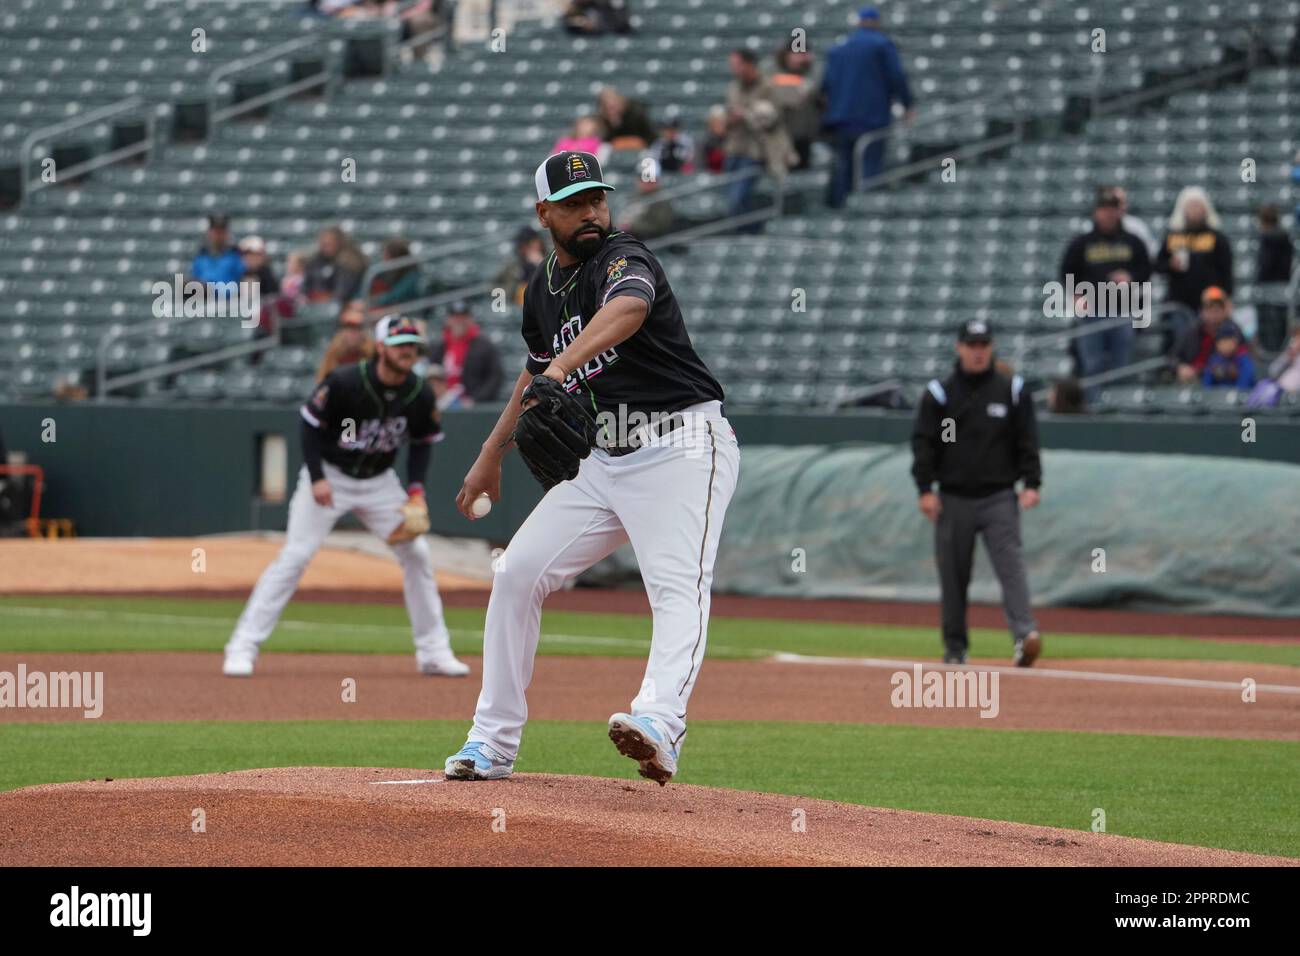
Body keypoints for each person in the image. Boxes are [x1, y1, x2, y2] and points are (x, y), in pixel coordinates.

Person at [443, 150, 740, 785]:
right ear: (543, 212)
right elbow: (533, 368)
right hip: (605, 460)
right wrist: (491, 455)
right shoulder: (540, 291)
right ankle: (491, 742)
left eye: (598, 198)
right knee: (518, 573)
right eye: (575, 202)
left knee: (676, 584)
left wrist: (557, 368)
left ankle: (659, 721)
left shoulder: (624, 257)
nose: (591, 212)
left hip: (682, 443)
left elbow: (627, 309)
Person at [223, 315, 467, 678]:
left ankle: (433, 652)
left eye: (412, 346)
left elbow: (422, 444)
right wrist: (318, 477)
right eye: (400, 345)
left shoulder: (419, 392)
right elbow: (308, 426)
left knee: (416, 554)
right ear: (381, 347)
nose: (407, 352)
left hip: (379, 482)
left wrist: (415, 491)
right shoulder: (345, 381)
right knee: (296, 556)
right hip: (331, 476)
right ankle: (242, 646)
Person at [910, 319, 1043, 667]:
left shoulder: (1011, 389)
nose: (978, 351)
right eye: (972, 345)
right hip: (954, 497)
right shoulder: (941, 393)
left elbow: (1027, 439)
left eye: (984, 344)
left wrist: (1032, 482)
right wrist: (925, 489)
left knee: (1011, 567)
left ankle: (1024, 636)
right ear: (959, 348)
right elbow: (924, 444)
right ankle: (955, 648)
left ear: (992, 347)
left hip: (999, 494)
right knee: (954, 577)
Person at [1058, 189, 1152, 394]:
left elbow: (1146, 269)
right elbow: (1066, 271)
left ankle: (1118, 409)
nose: (1109, 214)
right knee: (1093, 365)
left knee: (1121, 367)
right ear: (1096, 212)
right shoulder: (1082, 242)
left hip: (1123, 310)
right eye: (1104, 209)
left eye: (1113, 209)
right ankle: (1093, 411)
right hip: (1092, 311)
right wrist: (1075, 295)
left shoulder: (1133, 241)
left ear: (1120, 212)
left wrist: (1131, 278)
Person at [821, 5, 913, 209]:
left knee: (844, 167)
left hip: (841, 119)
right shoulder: (881, 45)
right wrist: (907, 104)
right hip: (870, 117)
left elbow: (825, 85)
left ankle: (840, 212)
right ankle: (865, 212)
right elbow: (896, 77)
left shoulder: (839, 48)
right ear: (876, 22)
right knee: (869, 167)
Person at [723, 48, 796, 231]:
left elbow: (773, 119)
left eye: (736, 65)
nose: (733, 69)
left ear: (749, 64)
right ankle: (746, 234)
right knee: (733, 199)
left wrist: (746, 114)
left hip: (755, 151)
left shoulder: (768, 87)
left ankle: (752, 232)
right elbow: (729, 115)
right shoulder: (733, 88)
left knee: (737, 198)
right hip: (734, 149)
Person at [1154, 186, 1234, 313]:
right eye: (1191, 207)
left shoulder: (1217, 238)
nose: (1195, 211)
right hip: (1179, 302)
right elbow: (1158, 265)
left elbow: (1226, 270)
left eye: (1198, 206)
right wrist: (1171, 265)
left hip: (1210, 303)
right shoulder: (1173, 236)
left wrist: (1226, 297)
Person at [427, 300, 505, 406]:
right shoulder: (438, 346)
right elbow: (431, 373)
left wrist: (475, 400)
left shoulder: (485, 346)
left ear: (470, 319)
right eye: (455, 317)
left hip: (473, 407)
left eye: (463, 317)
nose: (459, 321)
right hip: (442, 403)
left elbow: (496, 377)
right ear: (448, 320)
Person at [771, 45, 820, 170]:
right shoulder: (778, 75)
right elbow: (791, 100)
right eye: (795, 54)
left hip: (805, 135)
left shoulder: (811, 74)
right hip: (783, 134)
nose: (798, 59)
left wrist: (810, 64)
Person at [1171, 286, 1232, 384]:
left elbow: (1241, 360)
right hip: (1191, 377)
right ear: (1203, 311)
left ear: (1225, 311)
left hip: (1218, 381)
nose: (1214, 315)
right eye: (1209, 309)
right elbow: (1173, 358)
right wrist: (1180, 367)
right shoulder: (1192, 330)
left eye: (1217, 309)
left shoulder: (1232, 331)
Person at [1255, 204, 1293, 352]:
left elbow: (1266, 264)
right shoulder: (1284, 235)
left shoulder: (1269, 237)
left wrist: (1258, 280)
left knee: (1273, 324)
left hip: (1271, 286)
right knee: (1282, 321)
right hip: (1283, 284)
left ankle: (1272, 350)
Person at [303, 226, 368, 304]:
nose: (326, 247)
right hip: (316, 303)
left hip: (346, 304)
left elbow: (342, 293)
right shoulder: (315, 260)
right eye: (324, 243)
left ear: (339, 242)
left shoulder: (349, 262)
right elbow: (306, 286)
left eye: (329, 244)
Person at [316, 300, 376, 381]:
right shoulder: (334, 351)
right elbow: (324, 379)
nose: (352, 333)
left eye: (357, 328)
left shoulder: (371, 351)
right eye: (349, 328)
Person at [495, 227, 547, 307]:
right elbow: (495, 289)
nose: (526, 249)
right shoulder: (513, 266)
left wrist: (541, 265)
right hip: (519, 308)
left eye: (530, 244)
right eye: (522, 246)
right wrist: (516, 289)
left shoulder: (554, 259)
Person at [191, 214, 245, 286]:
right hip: (203, 296)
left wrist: (211, 289)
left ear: (227, 233)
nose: (218, 236)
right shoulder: (200, 257)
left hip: (228, 296)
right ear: (209, 233)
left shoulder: (236, 257)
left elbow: (241, 285)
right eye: (216, 232)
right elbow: (195, 279)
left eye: (222, 232)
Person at [369, 237, 421, 310]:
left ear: (395, 256)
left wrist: (369, 301)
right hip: (394, 309)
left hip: (410, 312)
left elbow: (393, 296)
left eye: (387, 255)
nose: (384, 259)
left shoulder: (412, 274)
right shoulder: (391, 272)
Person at [1201, 323, 1256, 390]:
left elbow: (1243, 385)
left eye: (1228, 341)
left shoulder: (1244, 359)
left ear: (1236, 342)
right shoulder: (1214, 359)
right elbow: (1206, 385)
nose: (1225, 346)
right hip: (1217, 397)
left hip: (1240, 397)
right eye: (1222, 342)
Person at [563, 0, 632, 36]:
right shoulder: (574, 8)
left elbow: (621, 24)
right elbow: (570, 23)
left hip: (604, 36)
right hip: (584, 37)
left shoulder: (605, 6)